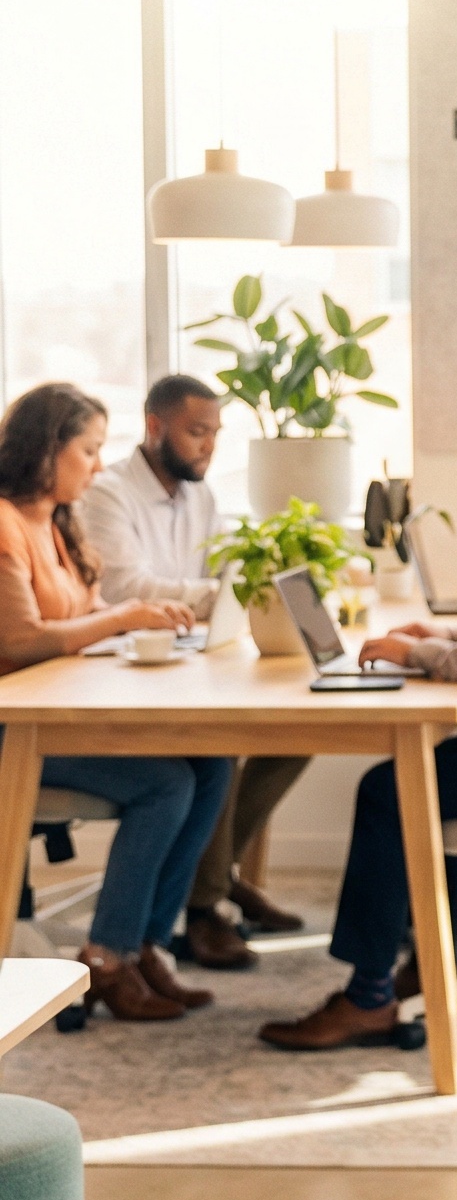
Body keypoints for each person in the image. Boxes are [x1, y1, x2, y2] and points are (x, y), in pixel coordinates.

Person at [257, 382, 457, 1051]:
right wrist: (445, 639)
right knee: (432, 766)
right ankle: (435, 954)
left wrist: (423, 653)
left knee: (393, 788)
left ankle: (369, 997)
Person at [0, 382, 233, 1022]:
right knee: (164, 785)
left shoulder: (55, 522)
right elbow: (21, 639)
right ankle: (105, 958)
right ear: (46, 450)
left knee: (211, 764)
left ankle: (143, 945)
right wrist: (125, 617)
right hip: (16, 732)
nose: (99, 466)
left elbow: (85, 613)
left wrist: (142, 623)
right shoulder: (5, 524)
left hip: (59, 718)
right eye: (88, 450)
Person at [77, 372, 308, 969]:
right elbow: (125, 587)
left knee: (296, 734)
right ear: (155, 426)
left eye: (215, 433)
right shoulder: (107, 493)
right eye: (196, 432)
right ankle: (197, 909)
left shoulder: (199, 496)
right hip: (127, 673)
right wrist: (218, 596)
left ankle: (214, 878)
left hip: (186, 661)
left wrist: (241, 588)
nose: (209, 446)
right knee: (213, 753)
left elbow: (224, 575)